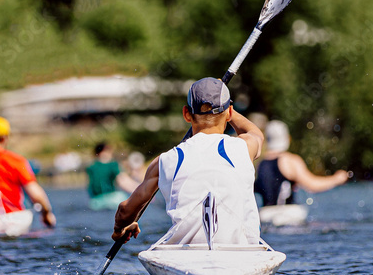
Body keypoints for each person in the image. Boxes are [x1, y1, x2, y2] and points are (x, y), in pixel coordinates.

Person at [112, 77, 265, 247]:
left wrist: (120, 229)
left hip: (186, 255)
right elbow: (255, 133)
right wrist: (225, 104)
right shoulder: (244, 147)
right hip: (242, 251)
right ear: (229, 113)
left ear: (186, 114)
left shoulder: (165, 160)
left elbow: (125, 211)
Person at [0, 116, 56, 230]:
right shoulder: (17, 161)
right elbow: (36, 194)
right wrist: (46, 213)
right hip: (17, 220)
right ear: (5, 138)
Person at [254, 120, 350, 207]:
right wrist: (336, 179)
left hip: (265, 214)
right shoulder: (290, 160)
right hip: (288, 217)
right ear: (288, 138)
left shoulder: (260, 163)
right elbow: (312, 185)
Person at [86, 142, 138, 211]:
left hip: (94, 202)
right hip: (110, 200)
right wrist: (141, 190)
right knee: (123, 197)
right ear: (103, 152)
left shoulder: (91, 167)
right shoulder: (112, 165)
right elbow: (123, 181)